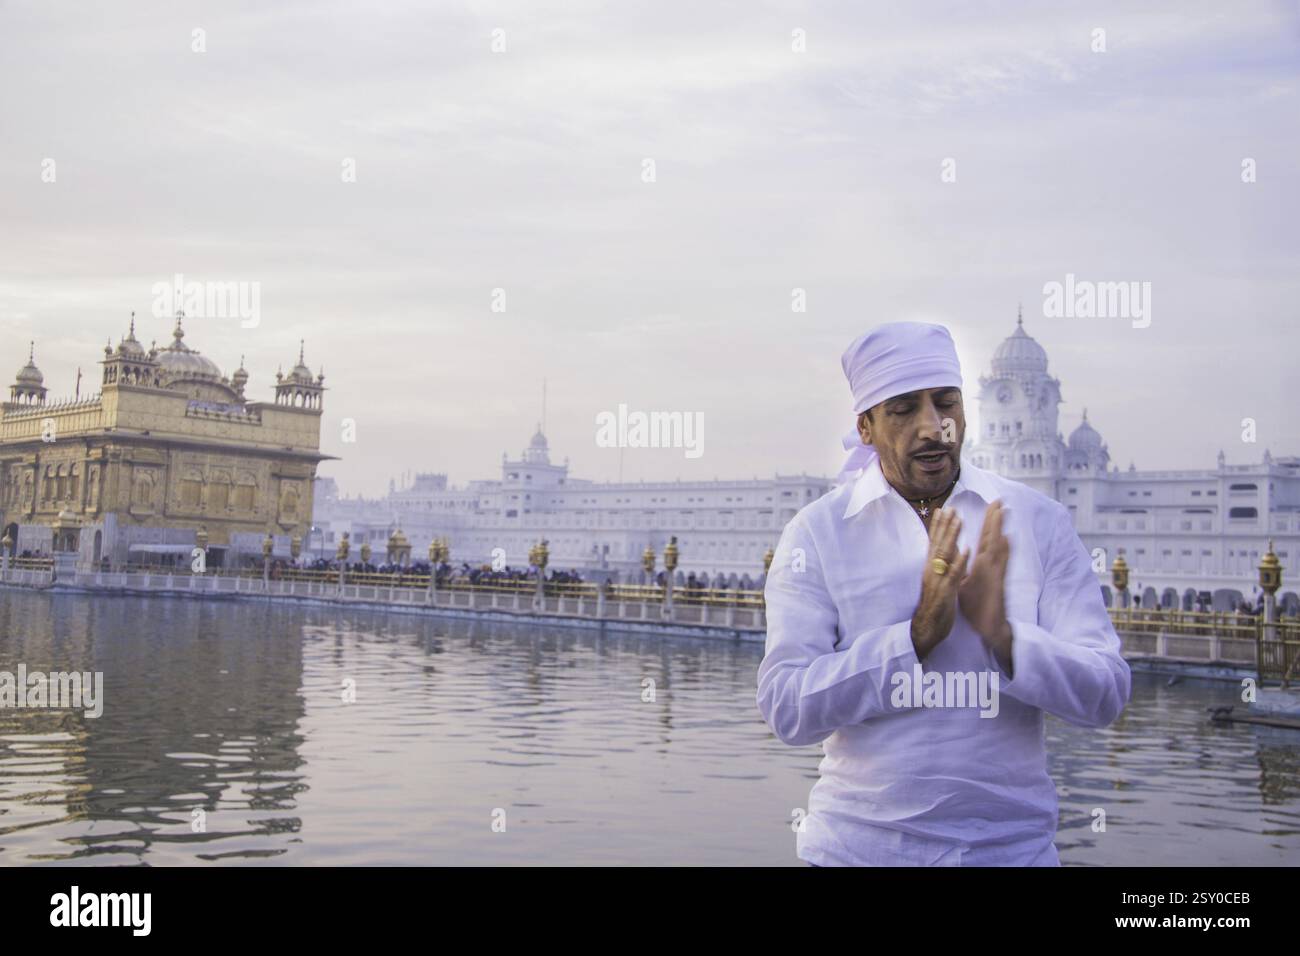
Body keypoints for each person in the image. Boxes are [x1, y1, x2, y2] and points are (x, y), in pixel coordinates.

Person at [757, 320, 1131, 867]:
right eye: (905, 408)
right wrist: (913, 638)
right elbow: (787, 709)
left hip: (1010, 854)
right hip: (857, 851)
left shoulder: (1035, 520)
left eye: (946, 404)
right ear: (866, 427)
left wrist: (1006, 639)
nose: (934, 428)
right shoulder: (820, 532)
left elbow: (1106, 696)